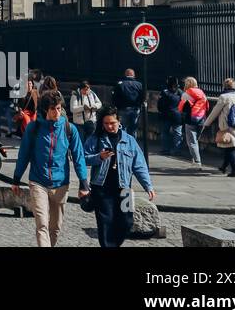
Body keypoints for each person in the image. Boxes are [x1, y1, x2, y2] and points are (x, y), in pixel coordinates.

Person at [11, 91, 89, 247]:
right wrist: (16, 179)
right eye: (53, 109)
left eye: (59, 108)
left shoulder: (69, 129)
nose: (57, 112)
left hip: (61, 183)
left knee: (55, 228)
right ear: (46, 110)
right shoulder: (34, 129)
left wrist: (83, 183)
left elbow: (79, 157)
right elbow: (23, 155)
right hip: (38, 182)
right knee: (42, 225)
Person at [84, 107, 155, 248]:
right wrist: (99, 157)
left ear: (119, 121)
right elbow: (83, 158)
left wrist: (148, 186)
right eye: (106, 124)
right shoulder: (96, 138)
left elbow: (139, 165)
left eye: (112, 123)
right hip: (102, 189)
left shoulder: (129, 141)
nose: (109, 126)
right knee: (106, 222)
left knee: (127, 222)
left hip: (125, 189)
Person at [203, 78, 235, 177]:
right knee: (230, 148)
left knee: (229, 148)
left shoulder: (223, 97)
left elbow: (215, 111)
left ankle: (234, 170)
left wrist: (206, 123)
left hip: (228, 127)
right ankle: (224, 167)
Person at [178, 76, 209, 167]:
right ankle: (194, 159)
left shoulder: (186, 94)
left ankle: (197, 161)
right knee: (196, 140)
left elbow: (182, 108)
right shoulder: (202, 93)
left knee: (192, 141)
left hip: (190, 120)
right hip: (202, 119)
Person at [112, 68, 145, 140]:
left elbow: (115, 97)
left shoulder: (120, 83)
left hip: (123, 108)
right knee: (133, 129)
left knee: (122, 127)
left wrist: (115, 106)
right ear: (133, 75)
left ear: (125, 74)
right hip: (135, 109)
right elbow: (143, 97)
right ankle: (133, 144)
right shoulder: (139, 84)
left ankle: (123, 144)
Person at [158, 76, 184, 157]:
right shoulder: (180, 92)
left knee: (165, 132)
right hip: (178, 115)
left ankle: (166, 150)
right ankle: (177, 150)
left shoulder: (164, 92)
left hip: (166, 115)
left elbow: (160, 104)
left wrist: (161, 111)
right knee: (178, 133)